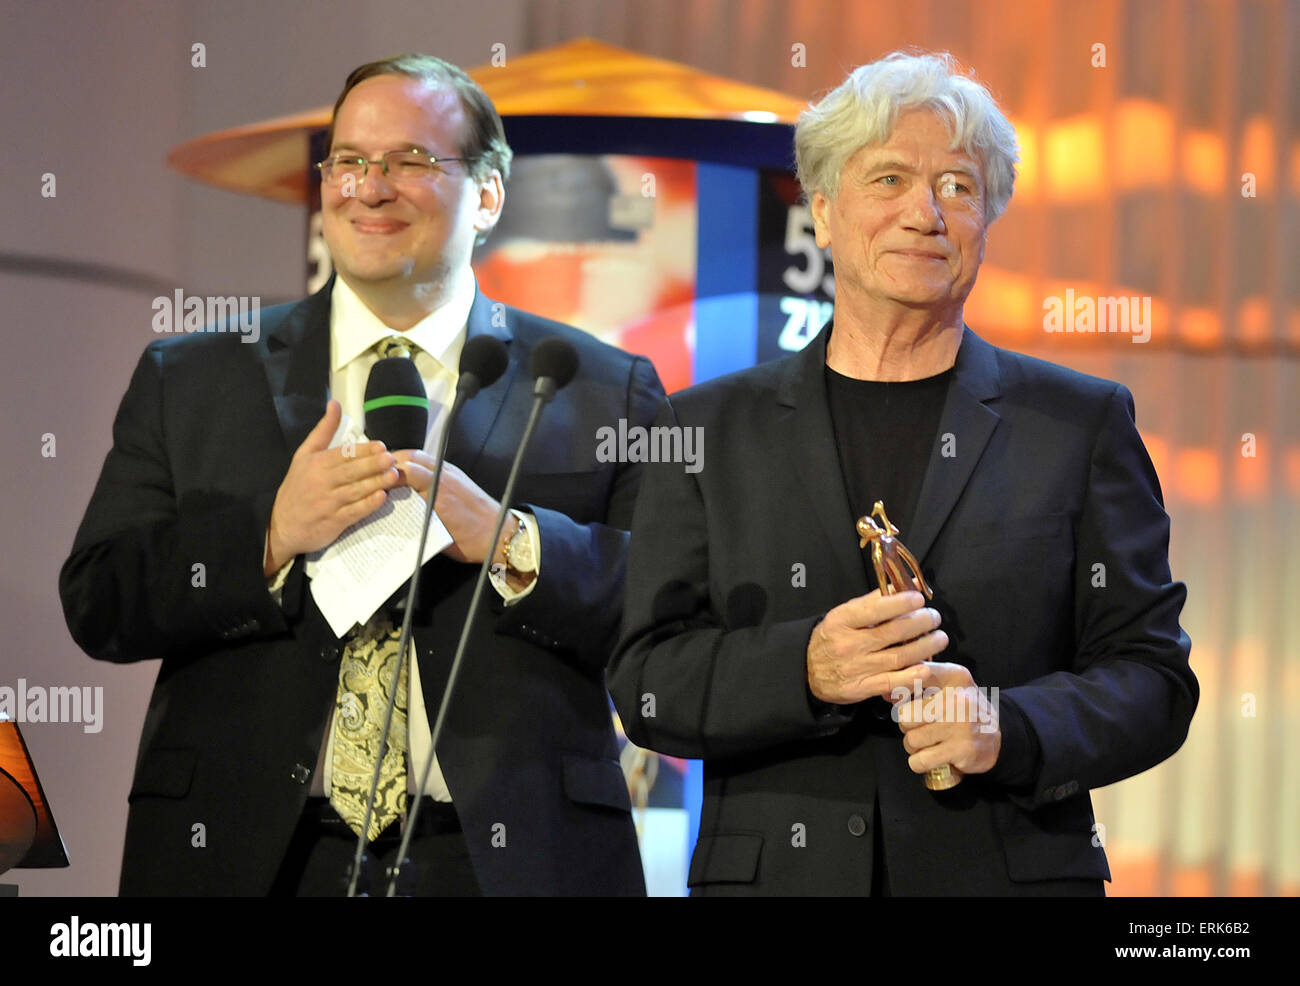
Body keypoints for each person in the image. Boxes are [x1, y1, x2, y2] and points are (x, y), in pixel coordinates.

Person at [60, 53, 664, 896]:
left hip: (505, 858)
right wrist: (268, 537)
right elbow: (99, 601)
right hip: (250, 856)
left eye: (411, 161)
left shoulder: (596, 385)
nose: (369, 188)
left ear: (488, 194)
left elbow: (668, 598)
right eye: (348, 161)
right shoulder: (194, 375)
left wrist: (513, 542)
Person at [607, 51, 1197, 896]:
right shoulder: (702, 428)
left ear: (986, 220)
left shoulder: (1078, 422)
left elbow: (1153, 678)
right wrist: (805, 668)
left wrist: (1006, 726)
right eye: (889, 178)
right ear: (823, 210)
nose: (926, 213)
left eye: (959, 187)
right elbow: (646, 685)